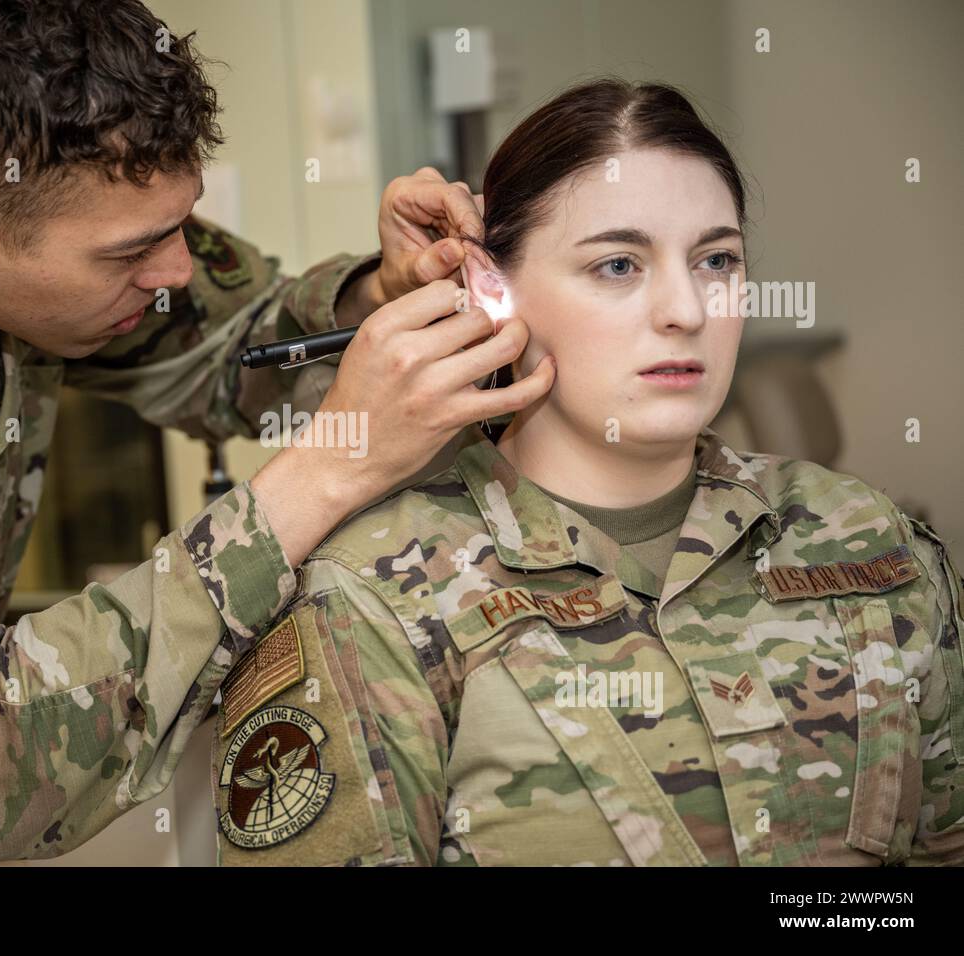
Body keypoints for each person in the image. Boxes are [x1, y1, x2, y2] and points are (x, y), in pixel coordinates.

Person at [0, 0, 553, 866]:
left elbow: (235, 345)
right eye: (132, 254)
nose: (171, 272)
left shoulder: (0, 176)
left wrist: (378, 298)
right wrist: (326, 471)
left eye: (177, 225)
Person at [208, 77, 964, 866]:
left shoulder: (868, 540)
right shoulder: (375, 599)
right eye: (617, 266)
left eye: (716, 259)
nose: (687, 310)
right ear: (489, 292)